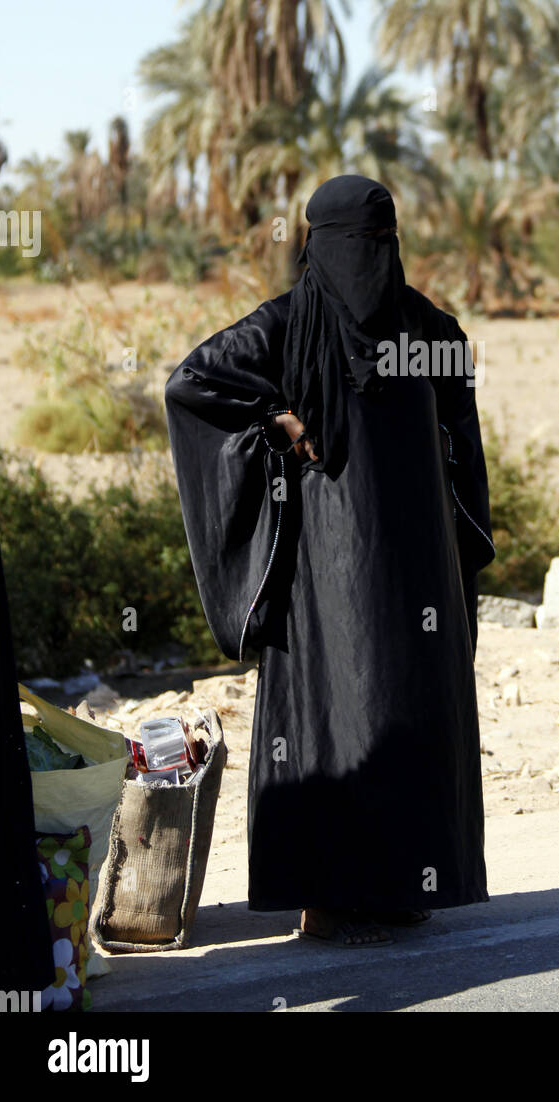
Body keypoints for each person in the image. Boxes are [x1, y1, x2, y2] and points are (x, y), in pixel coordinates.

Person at [165, 173, 494, 946]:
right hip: (326, 574)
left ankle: (405, 881)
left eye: (381, 246)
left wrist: (457, 543)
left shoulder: (431, 334)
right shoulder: (282, 329)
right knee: (341, 715)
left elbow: (459, 438)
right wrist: (275, 416)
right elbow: (193, 384)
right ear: (320, 245)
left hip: (416, 563)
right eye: (356, 246)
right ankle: (329, 893)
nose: (368, 261)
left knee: (407, 712)